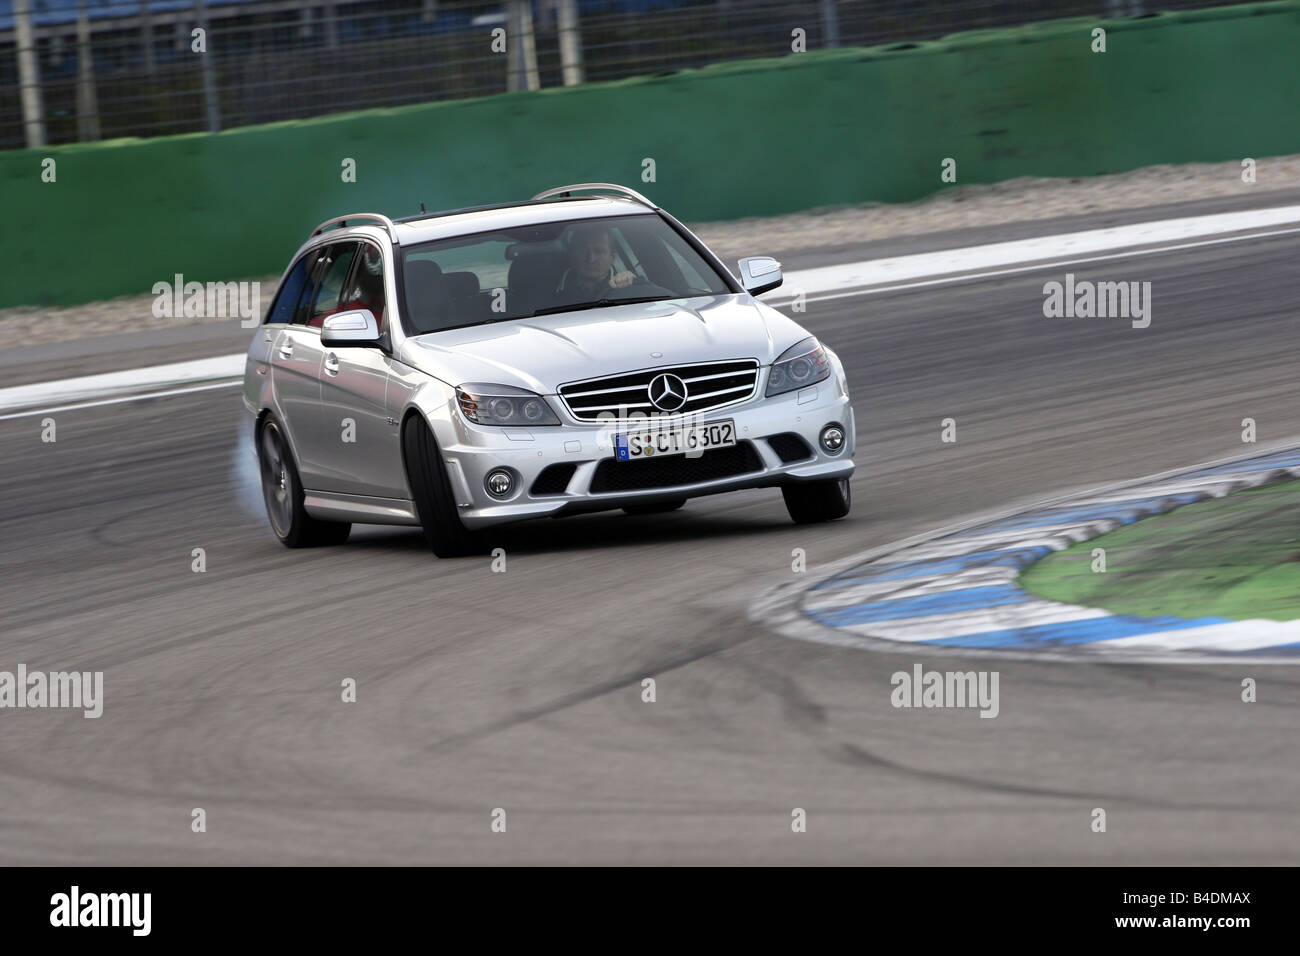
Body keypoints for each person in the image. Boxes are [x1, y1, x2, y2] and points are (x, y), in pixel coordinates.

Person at [556, 226, 638, 301]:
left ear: (612, 258)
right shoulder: (552, 288)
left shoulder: (627, 285)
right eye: (583, 250)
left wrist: (633, 283)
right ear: (572, 255)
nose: (591, 259)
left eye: (599, 251)